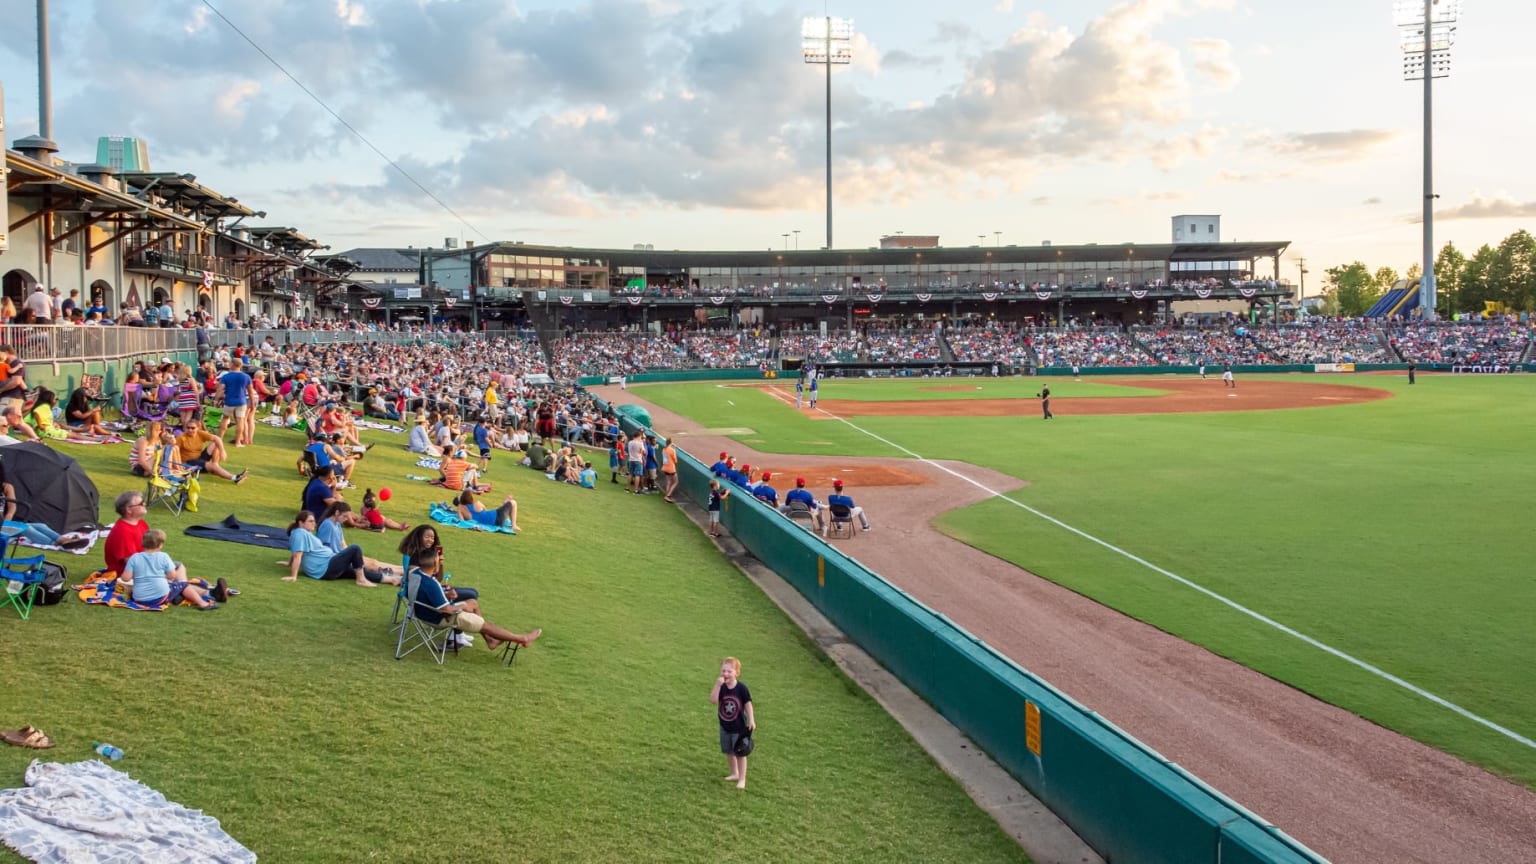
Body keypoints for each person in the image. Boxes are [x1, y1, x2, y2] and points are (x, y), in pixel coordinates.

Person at [404, 546, 541, 654]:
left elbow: (430, 596)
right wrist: (463, 606)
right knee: (485, 623)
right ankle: (522, 639)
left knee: (473, 603)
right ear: (435, 563)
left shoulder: (415, 573)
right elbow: (447, 610)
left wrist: (447, 595)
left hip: (420, 611)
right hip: (439, 618)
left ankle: (490, 640)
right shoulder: (431, 584)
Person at [285, 510, 395, 587]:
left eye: (313, 520)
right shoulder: (300, 533)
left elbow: (296, 550)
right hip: (325, 568)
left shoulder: (302, 533)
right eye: (310, 521)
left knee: (356, 570)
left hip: (327, 566)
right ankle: (361, 580)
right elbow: (297, 554)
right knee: (355, 549)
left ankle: (392, 579)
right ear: (301, 523)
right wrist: (293, 576)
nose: (314, 523)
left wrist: (289, 563)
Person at [122, 529, 220, 610]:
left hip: (139, 599)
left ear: (143, 543)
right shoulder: (163, 556)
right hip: (160, 598)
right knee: (183, 585)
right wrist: (166, 578)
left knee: (174, 586)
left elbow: (126, 578)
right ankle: (202, 603)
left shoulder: (134, 557)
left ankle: (178, 597)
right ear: (160, 545)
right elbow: (172, 575)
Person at [317, 502, 402, 582]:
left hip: (342, 555)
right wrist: (346, 557)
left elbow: (342, 543)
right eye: (345, 516)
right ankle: (400, 572)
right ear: (337, 513)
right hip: (335, 559)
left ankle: (402, 569)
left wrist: (349, 554)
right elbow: (324, 548)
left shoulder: (337, 524)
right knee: (372, 565)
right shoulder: (327, 525)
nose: (346, 519)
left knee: (373, 562)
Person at [710, 657, 755, 790]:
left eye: (729, 671)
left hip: (739, 728)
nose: (726, 674)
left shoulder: (741, 688)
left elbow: (748, 704)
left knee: (740, 753)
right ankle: (734, 773)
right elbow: (713, 700)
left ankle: (742, 779)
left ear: (737, 673)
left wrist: (751, 719)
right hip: (725, 726)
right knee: (729, 751)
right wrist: (717, 685)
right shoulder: (721, 687)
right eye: (723, 671)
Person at [176, 418, 249, 483]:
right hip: (189, 463)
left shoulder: (200, 433)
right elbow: (174, 451)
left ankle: (215, 467)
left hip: (199, 458)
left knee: (215, 443)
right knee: (212, 465)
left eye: (192, 428)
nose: (190, 430)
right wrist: (178, 466)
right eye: (188, 428)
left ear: (198, 428)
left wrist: (222, 451)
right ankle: (235, 478)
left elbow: (217, 438)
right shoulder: (181, 438)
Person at [104, 490, 151, 575]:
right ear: (129, 509)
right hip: (128, 573)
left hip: (143, 567)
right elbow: (131, 561)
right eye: (141, 503)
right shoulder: (123, 531)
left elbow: (151, 548)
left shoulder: (141, 523)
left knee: (175, 567)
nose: (144, 504)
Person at [216, 358, 256, 446]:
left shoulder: (226, 376)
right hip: (242, 402)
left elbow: (220, 389)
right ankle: (238, 442)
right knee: (240, 421)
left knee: (225, 419)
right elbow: (250, 392)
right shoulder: (246, 377)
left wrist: (216, 400)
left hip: (229, 401)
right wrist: (252, 404)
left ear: (232, 364)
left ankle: (219, 439)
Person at [660, 437, 679, 502]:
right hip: (671, 468)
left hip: (665, 467)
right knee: (676, 482)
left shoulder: (664, 449)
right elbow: (675, 461)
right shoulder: (672, 450)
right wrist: (674, 450)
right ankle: (668, 496)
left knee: (668, 482)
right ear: (671, 442)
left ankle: (667, 497)